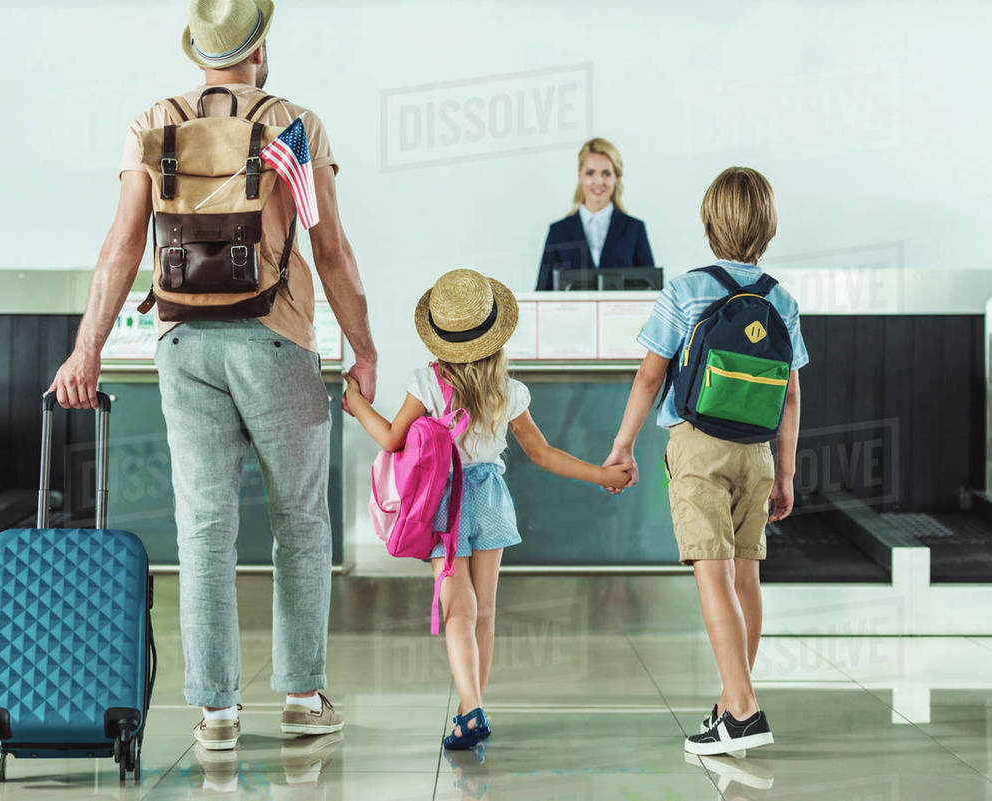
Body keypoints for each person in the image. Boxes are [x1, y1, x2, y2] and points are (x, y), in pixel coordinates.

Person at [46, 0, 377, 749]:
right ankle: (301, 695)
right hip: (276, 337)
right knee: (299, 522)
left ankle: (217, 713)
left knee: (204, 529)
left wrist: (87, 347)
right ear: (262, 48)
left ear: (200, 50)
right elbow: (333, 252)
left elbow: (121, 246)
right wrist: (364, 345)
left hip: (183, 343)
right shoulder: (296, 123)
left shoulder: (153, 122)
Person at [342, 269, 633, 750]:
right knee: (486, 612)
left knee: (458, 608)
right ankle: (470, 708)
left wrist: (354, 401)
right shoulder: (509, 391)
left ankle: (471, 707)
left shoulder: (428, 382)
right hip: (492, 497)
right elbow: (542, 454)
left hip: (445, 502)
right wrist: (602, 476)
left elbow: (393, 438)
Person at [603, 167, 807, 756]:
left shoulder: (687, 290)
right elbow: (791, 394)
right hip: (757, 452)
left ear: (710, 223)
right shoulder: (783, 299)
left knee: (710, 571)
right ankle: (727, 704)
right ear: (768, 227)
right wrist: (787, 472)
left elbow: (650, 376)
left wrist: (623, 444)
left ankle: (743, 710)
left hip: (697, 445)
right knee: (747, 573)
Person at [535, 137, 656, 291]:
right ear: (580, 176)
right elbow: (543, 291)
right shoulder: (558, 232)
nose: (598, 181)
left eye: (606, 173)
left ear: (616, 178)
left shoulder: (634, 229)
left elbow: (651, 290)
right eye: (590, 173)